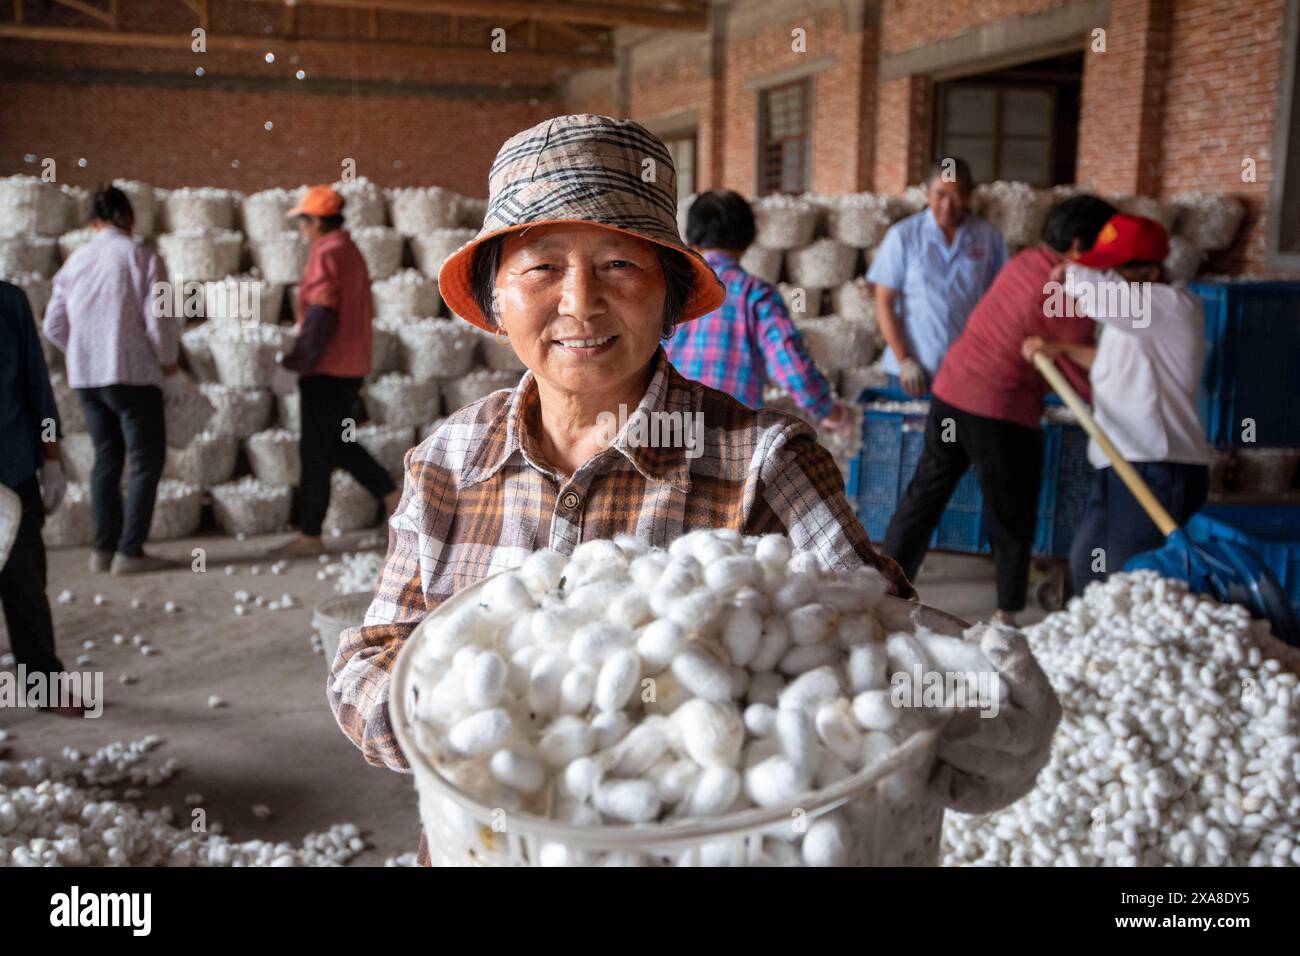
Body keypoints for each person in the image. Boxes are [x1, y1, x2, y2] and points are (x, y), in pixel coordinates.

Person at [326, 113, 1061, 866]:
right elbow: (370, 660)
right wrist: (464, 724)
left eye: (618, 264)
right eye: (541, 267)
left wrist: (964, 705)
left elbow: (879, 643)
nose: (579, 303)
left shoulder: (764, 462)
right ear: (494, 300)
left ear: (673, 297)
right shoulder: (448, 463)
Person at [882, 195, 1119, 625]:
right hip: (998, 410)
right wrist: (1115, 393)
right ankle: (1007, 616)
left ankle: (887, 591)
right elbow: (1080, 366)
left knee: (926, 493)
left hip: (952, 391)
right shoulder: (1066, 289)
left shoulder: (1027, 260)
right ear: (1081, 245)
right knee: (1010, 512)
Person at [1020, 214, 1209, 596]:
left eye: (1114, 271)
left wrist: (1071, 270)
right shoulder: (1140, 315)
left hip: (1158, 466)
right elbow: (1114, 359)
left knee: (1130, 583)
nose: (1108, 279)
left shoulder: (1169, 305)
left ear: (1152, 271)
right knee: (1089, 567)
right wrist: (1059, 349)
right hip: (1121, 460)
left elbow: (1091, 290)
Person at [43, 186, 180, 575]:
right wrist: (169, 365)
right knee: (144, 462)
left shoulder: (76, 262)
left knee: (105, 459)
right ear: (130, 218)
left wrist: (82, 349)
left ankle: (101, 551)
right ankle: (129, 552)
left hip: (87, 378)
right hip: (132, 375)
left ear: (92, 221)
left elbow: (53, 323)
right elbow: (160, 321)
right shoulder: (142, 257)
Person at [268, 186, 399, 559]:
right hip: (350, 365)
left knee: (315, 449)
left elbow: (322, 316)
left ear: (317, 221)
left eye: (303, 221)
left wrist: (297, 362)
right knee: (336, 443)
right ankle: (392, 497)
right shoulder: (350, 251)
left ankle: (311, 534)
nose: (301, 229)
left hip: (327, 367)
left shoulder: (327, 253)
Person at [665, 190, 856, 436]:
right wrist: (832, 413)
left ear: (693, 242)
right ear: (748, 239)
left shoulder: (673, 291)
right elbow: (792, 368)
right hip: (731, 439)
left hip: (668, 434)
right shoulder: (756, 294)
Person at [0, 279, 83, 716]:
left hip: (12, 473)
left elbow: (37, 390)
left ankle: (44, 687)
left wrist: (51, 459)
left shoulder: (8, 301)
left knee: (26, 586)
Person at [868, 158, 1008, 397]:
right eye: (939, 194)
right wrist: (905, 361)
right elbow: (884, 301)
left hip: (969, 370)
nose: (946, 204)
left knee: (959, 434)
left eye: (956, 195)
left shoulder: (988, 237)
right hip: (914, 374)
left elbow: (1003, 299)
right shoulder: (903, 236)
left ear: (969, 195)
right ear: (926, 193)